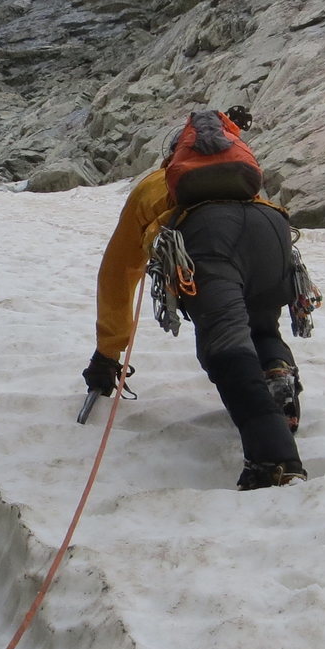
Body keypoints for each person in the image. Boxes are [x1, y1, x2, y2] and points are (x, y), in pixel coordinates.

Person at [83, 107, 307, 490]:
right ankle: (276, 372)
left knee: (225, 347)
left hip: (205, 239)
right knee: (260, 326)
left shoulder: (155, 185)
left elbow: (119, 274)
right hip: (271, 232)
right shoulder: (240, 175)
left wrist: (107, 355)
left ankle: (274, 459)